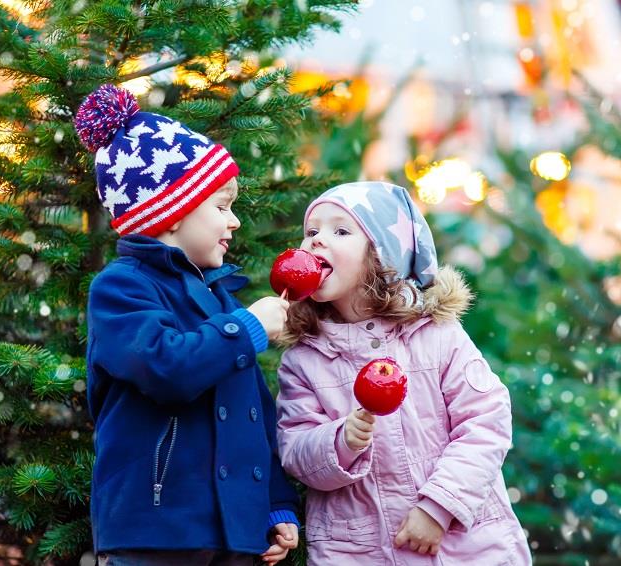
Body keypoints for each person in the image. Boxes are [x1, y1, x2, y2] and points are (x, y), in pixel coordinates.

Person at [76, 84, 299, 566]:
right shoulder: (121, 288)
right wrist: (247, 328)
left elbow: (252, 412)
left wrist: (275, 503)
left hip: (233, 533)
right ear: (171, 213)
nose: (234, 221)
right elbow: (166, 368)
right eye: (222, 206)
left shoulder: (219, 297)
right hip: (158, 529)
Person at [276, 181, 531, 565]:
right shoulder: (304, 359)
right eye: (311, 232)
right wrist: (340, 441)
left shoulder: (436, 335)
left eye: (340, 231)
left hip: (463, 548)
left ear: (383, 256)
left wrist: (438, 507)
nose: (316, 241)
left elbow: (485, 421)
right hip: (361, 551)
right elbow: (296, 452)